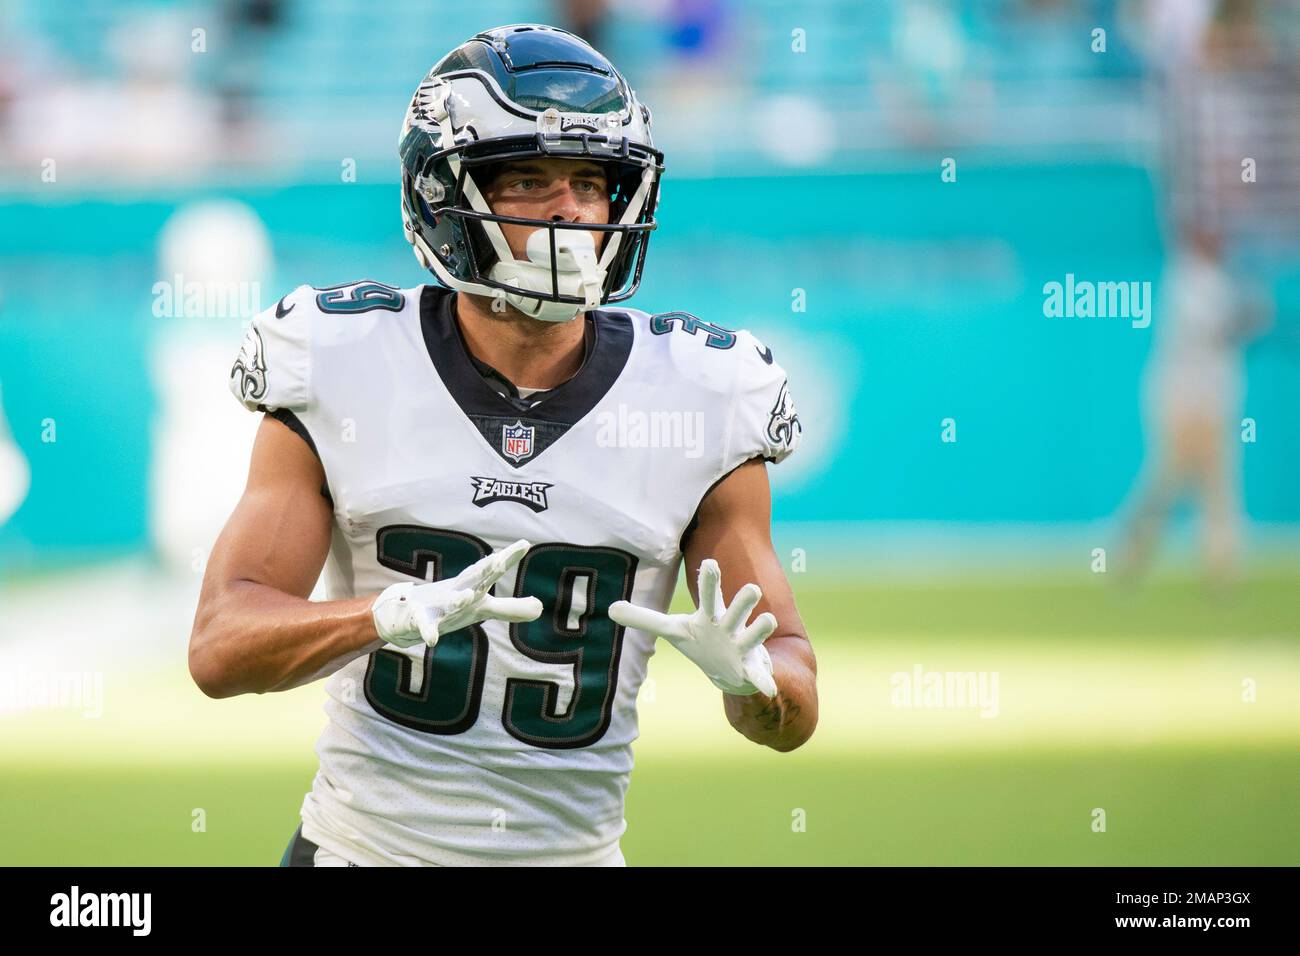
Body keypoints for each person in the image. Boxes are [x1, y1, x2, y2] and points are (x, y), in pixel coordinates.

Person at [188, 23, 817, 867]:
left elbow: (790, 700)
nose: (569, 211)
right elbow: (222, 648)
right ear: (443, 196)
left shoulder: (703, 395)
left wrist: (756, 685)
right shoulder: (340, 362)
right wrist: (381, 615)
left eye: (592, 183)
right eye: (529, 179)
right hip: (361, 852)